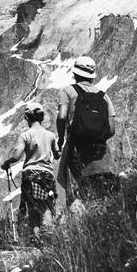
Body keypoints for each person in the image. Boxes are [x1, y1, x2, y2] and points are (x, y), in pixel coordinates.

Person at [55, 55, 114, 208]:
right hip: (101, 150)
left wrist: (61, 138)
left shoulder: (67, 91)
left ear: (74, 74)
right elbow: (112, 128)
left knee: (77, 193)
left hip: (76, 147)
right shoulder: (104, 96)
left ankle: (81, 226)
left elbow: (62, 117)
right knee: (104, 190)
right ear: (92, 76)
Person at [0, 101, 59, 243]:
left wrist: (6, 163)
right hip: (47, 174)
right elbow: (57, 155)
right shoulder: (50, 135)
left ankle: (36, 237)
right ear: (42, 116)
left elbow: (16, 156)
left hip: (30, 174)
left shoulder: (25, 135)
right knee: (47, 205)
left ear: (27, 117)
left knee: (32, 206)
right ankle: (48, 234)